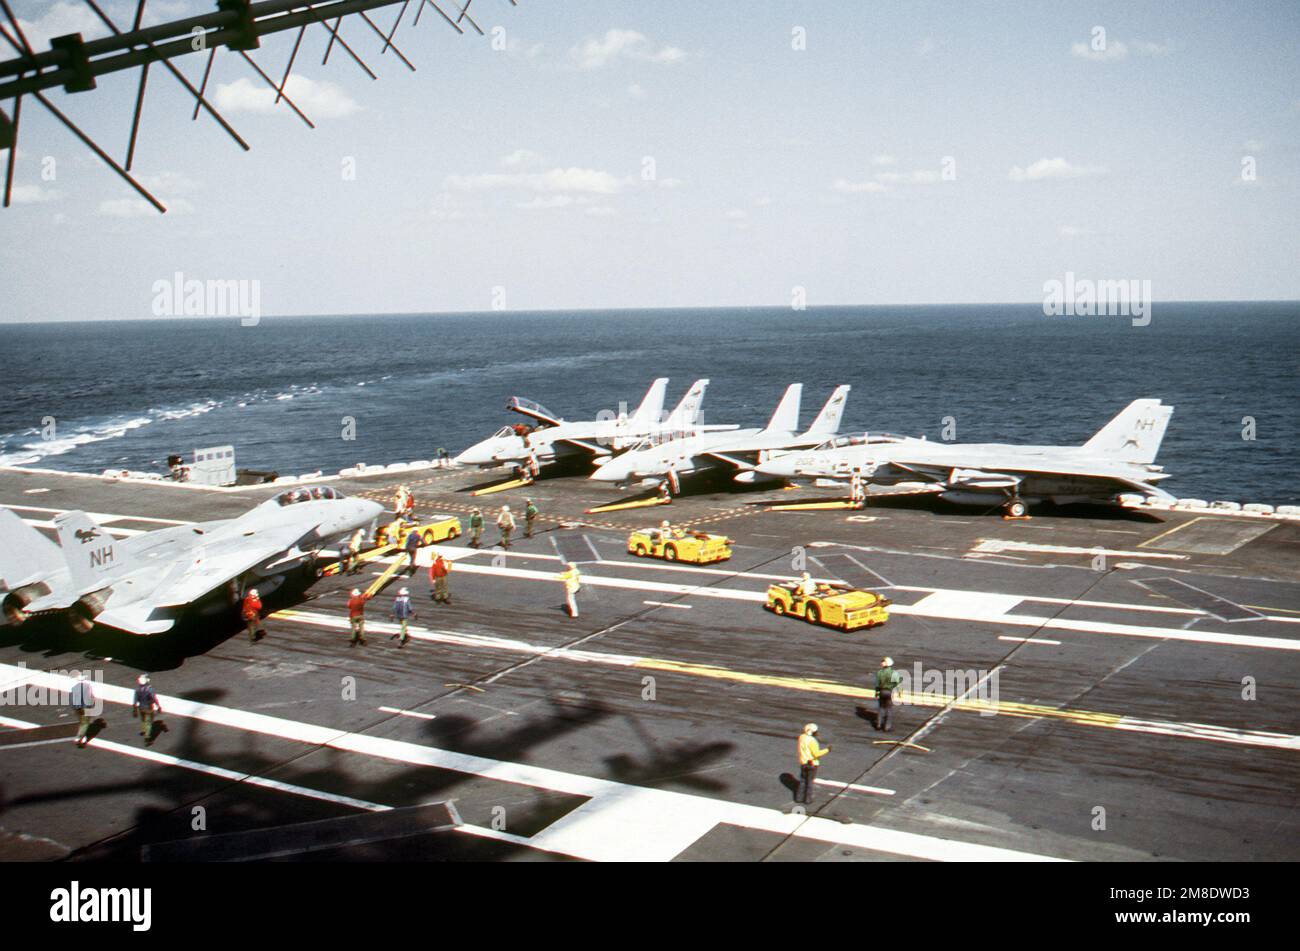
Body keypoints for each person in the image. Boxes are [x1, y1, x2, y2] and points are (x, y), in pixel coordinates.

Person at [795, 722, 830, 804]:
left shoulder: (801, 737)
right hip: (812, 764)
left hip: (803, 762)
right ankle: (808, 799)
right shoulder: (812, 741)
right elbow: (816, 753)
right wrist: (827, 750)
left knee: (803, 780)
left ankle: (799, 798)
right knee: (809, 782)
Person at [875, 657, 903, 732]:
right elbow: (898, 684)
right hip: (890, 692)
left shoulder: (880, 672)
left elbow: (877, 684)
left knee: (881, 708)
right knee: (889, 709)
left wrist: (877, 693)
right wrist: (900, 693)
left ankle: (878, 724)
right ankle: (887, 727)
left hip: (882, 691)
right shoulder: (894, 673)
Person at [132, 674, 162, 744]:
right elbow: (154, 698)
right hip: (148, 707)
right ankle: (147, 738)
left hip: (141, 708)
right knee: (149, 722)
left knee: (143, 720)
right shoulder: (150, 689)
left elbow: (135, 700)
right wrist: (158, 706)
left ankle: (144, 730)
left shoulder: (137, 689)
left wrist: (135, 710)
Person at [70, 674, 96, 748]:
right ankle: (81, 738)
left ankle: (81, 738)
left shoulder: (77, 688)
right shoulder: (86, 687)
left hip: (83, 708)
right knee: (85, 724)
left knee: (84, 723)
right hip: (84, 709)